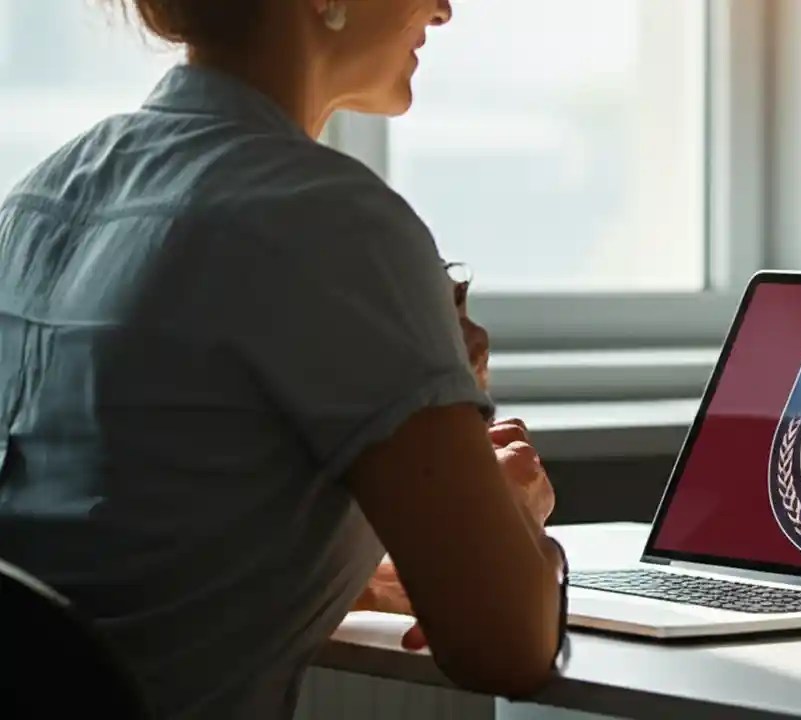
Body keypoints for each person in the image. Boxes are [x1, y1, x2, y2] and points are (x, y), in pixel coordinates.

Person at [0, 0, 568, 717]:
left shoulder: (41, 199)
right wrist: (513, 521)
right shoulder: (333, 223)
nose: (445, 9)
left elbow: (111, 559)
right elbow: (505, 647)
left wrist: (358, 576)